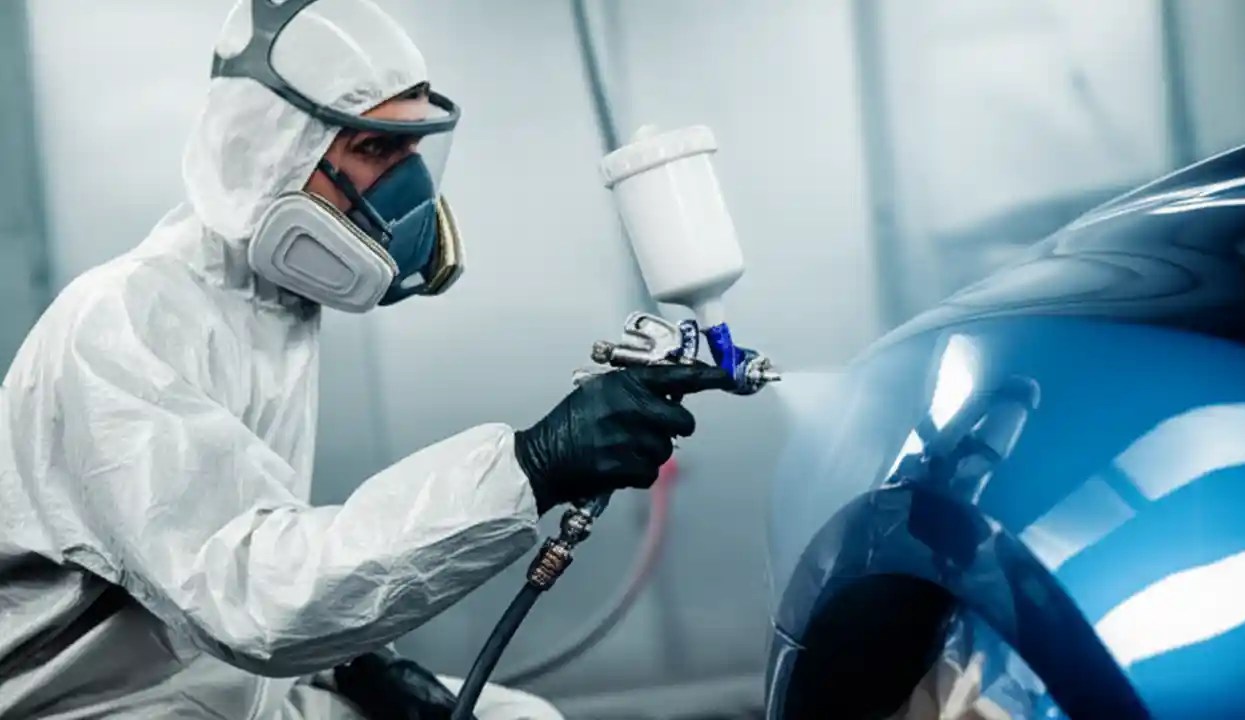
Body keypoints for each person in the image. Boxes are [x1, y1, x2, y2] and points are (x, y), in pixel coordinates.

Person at [0, 0, 733, 717]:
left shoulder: (269, 308)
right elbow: (249, 592)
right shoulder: (125, 323)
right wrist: (531, 465)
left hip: (236, 685)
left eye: (415, 148)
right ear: (271, 158)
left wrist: (360, 666)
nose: (409, 189)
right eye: (377, 149)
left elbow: (239, 529)